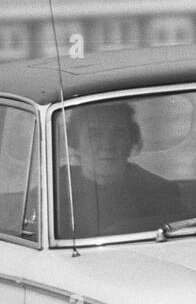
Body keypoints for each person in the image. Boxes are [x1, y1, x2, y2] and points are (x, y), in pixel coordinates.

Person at [56, 101, 181, 238]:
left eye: (118, 133)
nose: (107, 144)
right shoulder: (54, 194)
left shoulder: (159, 192)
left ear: (131, 141)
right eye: (95, 135)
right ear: (75, 143)